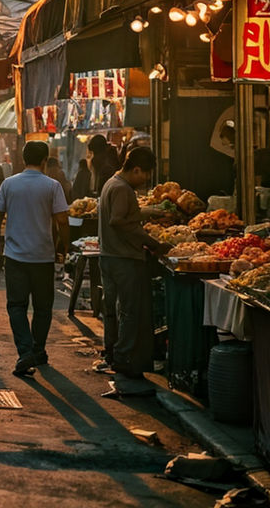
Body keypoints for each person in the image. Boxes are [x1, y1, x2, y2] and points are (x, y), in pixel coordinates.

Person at [0, 140, 69, 377]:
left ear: (23, 160)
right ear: (45, 161)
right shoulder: (52, 186)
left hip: (15, 256)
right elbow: (62, 221)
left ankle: (26, 352)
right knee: (43, 307)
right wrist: (63, 247)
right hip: (43, 257)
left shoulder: (9, 184)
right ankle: (37, 349)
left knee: (16, 305)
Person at [97, 145, 168, 382]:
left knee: (112, 309)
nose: (146, 180)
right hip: (123, 258)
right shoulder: (122, 189)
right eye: (146, 174)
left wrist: (147, 212)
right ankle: (123, 357)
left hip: (109, 256)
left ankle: (112, 351)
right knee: (128, 310)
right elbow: (118, 220)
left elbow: (126, 217)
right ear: (136, 169)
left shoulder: (111, 182)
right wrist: (150, 242)